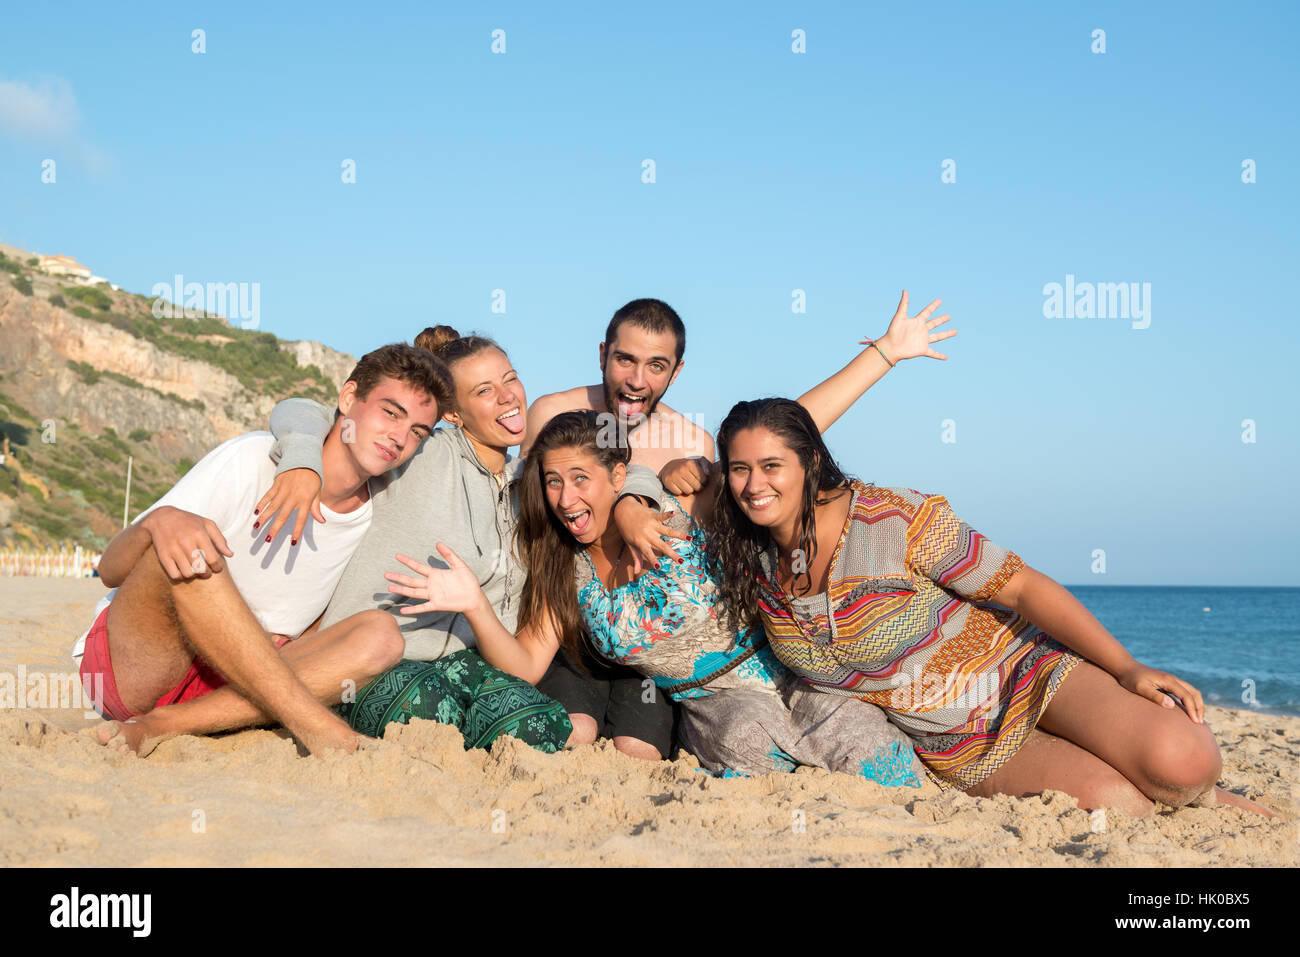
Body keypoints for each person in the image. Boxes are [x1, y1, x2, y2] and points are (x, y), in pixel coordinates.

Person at [382, 293, 957, 780]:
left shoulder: (679, 485)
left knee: (869, 747)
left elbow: (780, 433)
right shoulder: (557, 513)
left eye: (655, 365)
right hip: (686, 693)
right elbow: (527, 637)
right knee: (743, 746)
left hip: (785, 666)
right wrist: (474, 602)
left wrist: (884, 355)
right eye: (553, 482)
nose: (565, 496)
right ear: (603, 355)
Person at [703, 349, 1280, 817]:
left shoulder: (893, 519)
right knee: (1117, 807)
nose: (755, 483)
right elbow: (644, 487)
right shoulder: (751, 567)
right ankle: (1189, 802)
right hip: (954, 742)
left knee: (1186, 759)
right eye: (739, 468)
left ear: (809, 462)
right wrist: (648, 492)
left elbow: (1021, 587)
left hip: (1020, 667)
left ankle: (1199, 791)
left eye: (772, 465)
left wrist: (1128, 667)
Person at [257, 326, 668, 753]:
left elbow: (610, 465)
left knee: (541, 726)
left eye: (510, 379)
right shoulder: (421, 450)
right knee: (427, 708)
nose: (508, 397)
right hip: (379, 653)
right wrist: (303, 461)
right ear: (453, 413)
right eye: (485, 391)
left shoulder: (527, 483)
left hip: (462, 662)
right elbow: (302, 409)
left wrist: (633, 501)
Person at [73, 343, 450, 757]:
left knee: (382, 637)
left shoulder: (375, 516)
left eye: (417, 431)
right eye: (391, 412)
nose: (399, 437)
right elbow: (110, 570)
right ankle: (316, 725)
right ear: (347, 399)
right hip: (145, 663)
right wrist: (157, 523)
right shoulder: (252, 458)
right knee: (192, 549)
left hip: (238, 691)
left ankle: (165, 725)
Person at [522, 298, 724, 760]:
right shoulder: (553, 414)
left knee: (637, 749)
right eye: (625, 359)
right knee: (572, 732)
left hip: (647, 650)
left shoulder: (691, 442)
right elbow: (535, 516)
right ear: (602, 355)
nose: (637, 380)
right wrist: (633, 502)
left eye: (656, 366)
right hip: (568, 626)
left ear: (676, 372)